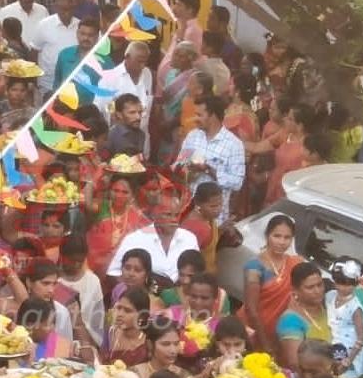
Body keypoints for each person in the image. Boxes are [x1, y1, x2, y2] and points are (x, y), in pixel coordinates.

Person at [176, 95, 246, 223]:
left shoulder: (234, 145)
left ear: (212, 116)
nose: (195, 119)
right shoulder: (193, 136)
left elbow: (237, 183)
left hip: (215, 219)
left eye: (199, 115)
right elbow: (177, 166)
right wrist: (188, 169)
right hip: (187, 212)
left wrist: (209, 170)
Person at [240, 214, 302, 356]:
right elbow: (251, 309)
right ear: (267, 235)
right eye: (277, 236)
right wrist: (264, 343)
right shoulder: (254, 267)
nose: (282, 242)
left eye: (287, 238)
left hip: (282, 332)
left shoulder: (295, 263)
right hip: (254, 332)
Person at [106, 195, 198, 283]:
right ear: (154, 214)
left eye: (177, 215)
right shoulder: (134, 239)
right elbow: (113, 273)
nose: (174, 220)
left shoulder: (189, 239)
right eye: (168, 215)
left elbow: (197, 272)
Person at [100, 42, 154, 155]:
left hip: (142, 141)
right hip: (119, 141)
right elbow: (103, 107)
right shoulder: (110, 77)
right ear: (127, 57)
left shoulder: (147, 74)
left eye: (145, 61)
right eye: (139, 61)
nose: (142, 65)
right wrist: (115, 113)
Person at [31, 0, 78, 93]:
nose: (67, 12)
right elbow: (34, 51)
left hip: (73, 84)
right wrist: (34, 79)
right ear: (56, 8)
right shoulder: (44, 25)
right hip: (47, 84)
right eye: (63, 9)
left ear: (74, 7)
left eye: (69, 9)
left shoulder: (80, 26)